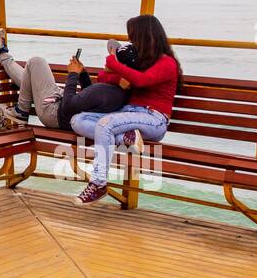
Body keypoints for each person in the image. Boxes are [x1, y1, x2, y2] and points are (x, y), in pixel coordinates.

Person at [71, 14, 181, 206]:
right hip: (128, 114)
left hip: (153, 119)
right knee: (77, 120)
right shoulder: (140, 61)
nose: (131, 42)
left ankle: (98, 183)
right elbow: (102, 77)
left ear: (145, 37)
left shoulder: (166, 63)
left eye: (133, 37)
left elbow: (142, 80)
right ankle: (126, 138)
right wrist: (118, 76)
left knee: (105, 124)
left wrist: (113, 61)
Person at [0, 29, 133, 129]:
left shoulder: (107, 91)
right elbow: (90, 100)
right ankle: (1, 55)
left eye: (112, 58)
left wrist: (73, 74)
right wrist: (82, 74)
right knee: (32, 78)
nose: (107, 59)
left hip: (54, 113)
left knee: (36, 62)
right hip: (61, 107)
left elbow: (69, 105)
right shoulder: (118, 90)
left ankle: (21, 111)